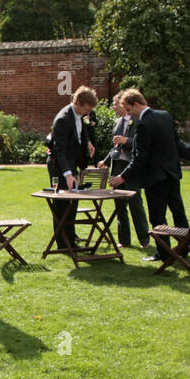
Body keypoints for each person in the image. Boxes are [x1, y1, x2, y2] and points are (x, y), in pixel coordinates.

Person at [116, 88, 186, 260]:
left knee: (157, 216)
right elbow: (176, 145)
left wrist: (122, 177)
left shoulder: (143, 125)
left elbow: (140, 157)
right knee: (178, 212)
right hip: (172, 174)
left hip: (155, 178)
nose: (129, 114)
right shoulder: (165, 116)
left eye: (129, 110)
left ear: (137, 104)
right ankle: (184, 249)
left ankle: (163, 253)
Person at [46, 87, 97, 254]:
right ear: (77, 103)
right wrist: (67, 174)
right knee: (62, 205)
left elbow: (80, 132)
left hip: (71, 163)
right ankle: (63, 244)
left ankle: (71, 239)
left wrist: (87, 142)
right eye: (86, 109)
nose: (87, 113)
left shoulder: (78, 116)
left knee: (73, 203)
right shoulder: (63, 119)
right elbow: (58, 150)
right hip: (58, 166)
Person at [104, 92, 150, 250]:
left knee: (135, 203)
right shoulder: (117, 123)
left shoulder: (137, 121)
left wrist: (127, 141)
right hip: (117, 166)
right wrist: (104, 161)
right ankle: (124, 240)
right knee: (119, 206)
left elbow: (142, 142)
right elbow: (115, 147)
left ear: (124, 105)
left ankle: (144, 240)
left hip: (131, 168)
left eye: (115, 104)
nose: (114, 107)